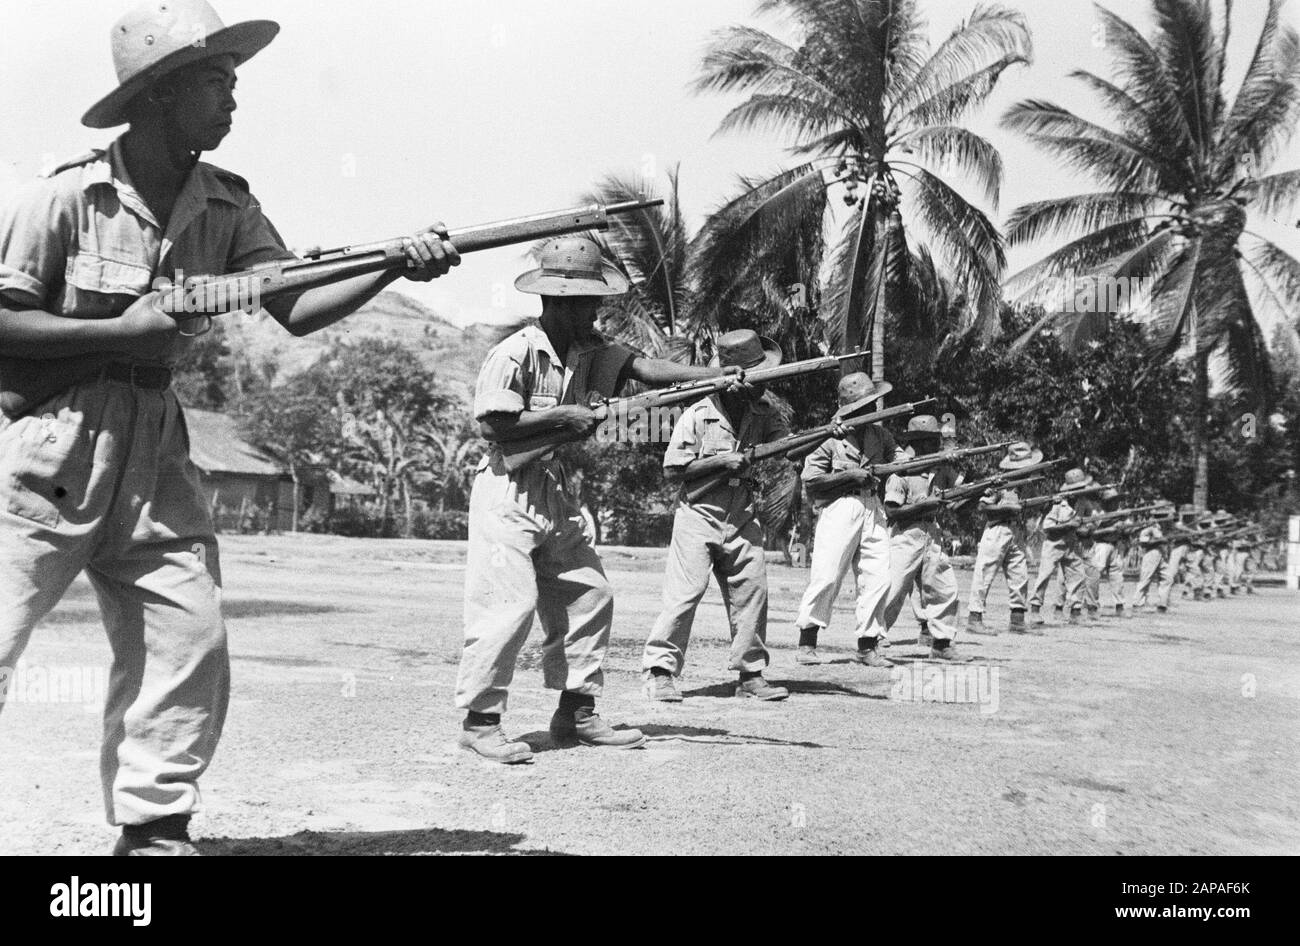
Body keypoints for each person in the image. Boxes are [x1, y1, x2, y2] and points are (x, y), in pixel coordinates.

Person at [0, 0, 459, 856]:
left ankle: (155, 826)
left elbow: (297, 305)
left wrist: (394, 262)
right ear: (162, 93)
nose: (233, 100)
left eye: (233, 83)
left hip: (158, 447)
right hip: (48, 444)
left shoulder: (227, 207)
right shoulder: (65, 197)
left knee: (187, 634)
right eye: (216, 81)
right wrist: (115, 334)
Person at [456, 236, 734, 762]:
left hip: (553, 486)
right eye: (588, 303)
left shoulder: (591, 349)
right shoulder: (515, 352)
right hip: (505, 489)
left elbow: (645, 369)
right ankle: (480, 722)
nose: (596, 312)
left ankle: (577, 712)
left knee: (591, 595)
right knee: (506, 607)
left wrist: (716, 378)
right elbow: (494, 425)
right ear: (557, 301)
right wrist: (565, 417)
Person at [642, 330, 791, 702]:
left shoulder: (764, 412)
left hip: (742, 512)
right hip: (699, 514)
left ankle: (750, 673)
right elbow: (674, 470)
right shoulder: (698, 414)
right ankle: (660, 671)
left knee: (752, 589)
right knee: (684, 593)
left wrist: (830, 434)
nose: (762, 386)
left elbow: (787, 447)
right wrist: (721, 461)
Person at [790, 373, 903, 667]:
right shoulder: (829, 437)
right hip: (840, 505)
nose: (871, 409)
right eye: (865, 405)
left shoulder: (881, 435)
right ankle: (807, 640)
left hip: (873, 506)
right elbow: (811, 480)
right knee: (826, 576)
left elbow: (900, 459)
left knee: (878, 577)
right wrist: (848, 475)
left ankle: (868, 645)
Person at [882, 415, 969, 662]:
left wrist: (981, 490)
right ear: (917, 442)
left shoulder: (941, 468)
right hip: (906, 534)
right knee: (894, 590)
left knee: (945, 589)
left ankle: (941, 643)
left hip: (933, 533)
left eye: (937, 441)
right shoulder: (902, 470)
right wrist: (925, 504)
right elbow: (891, 511)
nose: (936, 446)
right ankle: (872, 640)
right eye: (930, 442)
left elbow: (959, 500)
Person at [966, 441, 1041, 636]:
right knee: (984, 574)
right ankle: (975, 619)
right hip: (997, 530)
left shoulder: (1027, 486)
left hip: (1016, 531)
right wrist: (1005, 508)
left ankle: (1017, 620)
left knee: (1020, 575)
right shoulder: (1000, 484)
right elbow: (982, 507)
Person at [1028, 469, 1094, 626]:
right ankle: (1035, 609)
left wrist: (1085, 529)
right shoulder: (1058, 504)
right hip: (1054, 543)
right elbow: (1047, 526)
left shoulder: (1084, 503)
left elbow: (1090, 521)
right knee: (1044, 576)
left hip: (1072, 543)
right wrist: (1068, 524)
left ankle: (1076, 612)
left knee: (1078, 576)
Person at [1084, 488, 1128, 617]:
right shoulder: (1098, 515)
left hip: (1115, 546)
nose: (1115, 503)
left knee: (1117, 577)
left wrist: (1123, 527)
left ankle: (1120, 606)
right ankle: (1091, 605)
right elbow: (1091, 533)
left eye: (1116, 501)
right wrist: (1110, 528)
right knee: (1094, 575)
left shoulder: (1120, 514)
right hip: (1100, 545)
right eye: (1112, 501)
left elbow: (1127, 530)